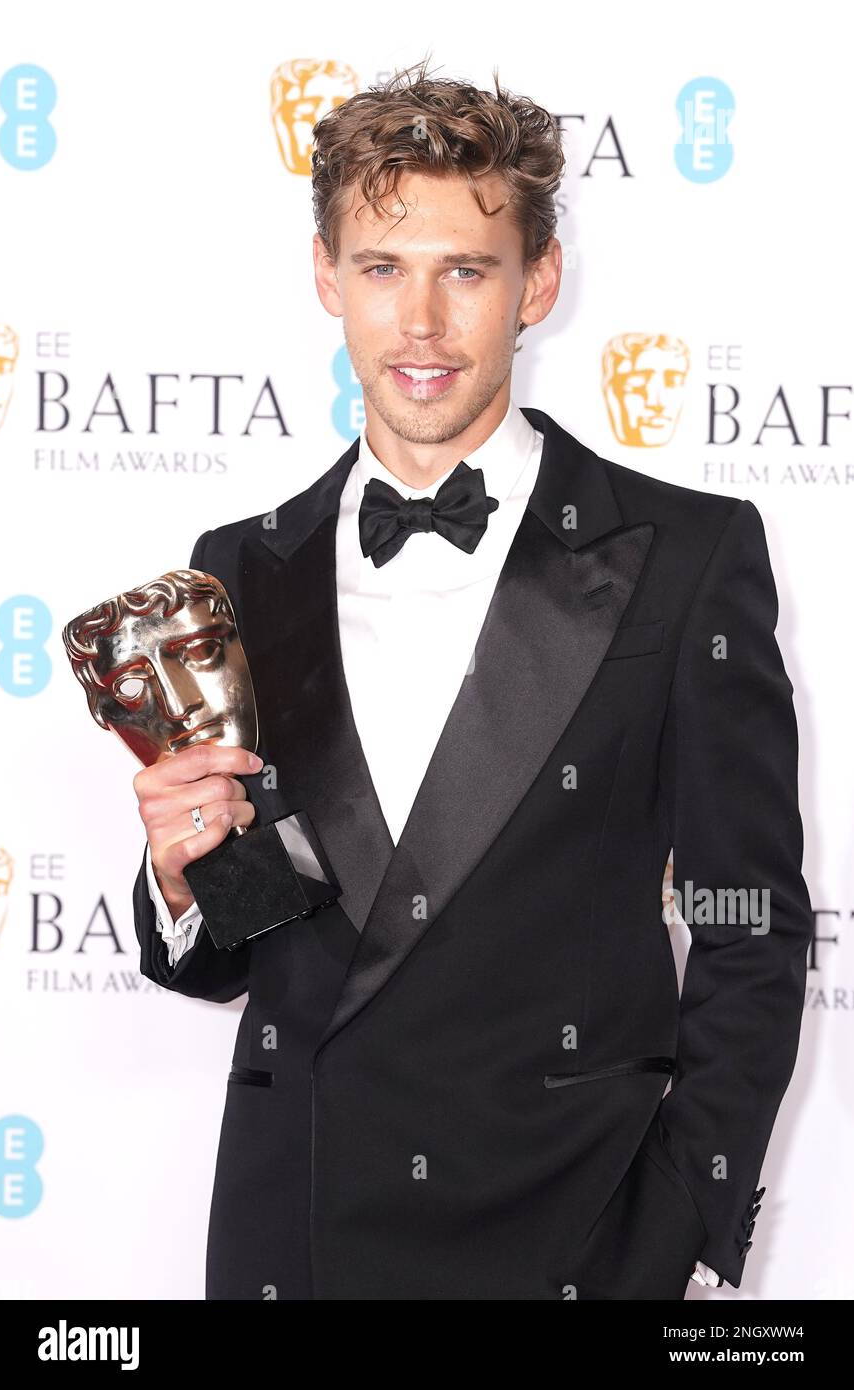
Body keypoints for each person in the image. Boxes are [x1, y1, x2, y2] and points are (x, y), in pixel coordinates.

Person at [132, 61, 812, 1300]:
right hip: (301, 1235)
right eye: (382, 268)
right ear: (326, 276)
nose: (421, 323)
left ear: (535, 282)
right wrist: (185, 879)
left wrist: (678, 1229)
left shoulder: (685, 556)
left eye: (464, 270)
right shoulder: (237, 569)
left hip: (574, 1235)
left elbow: (746, 925)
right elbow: (261, 939)